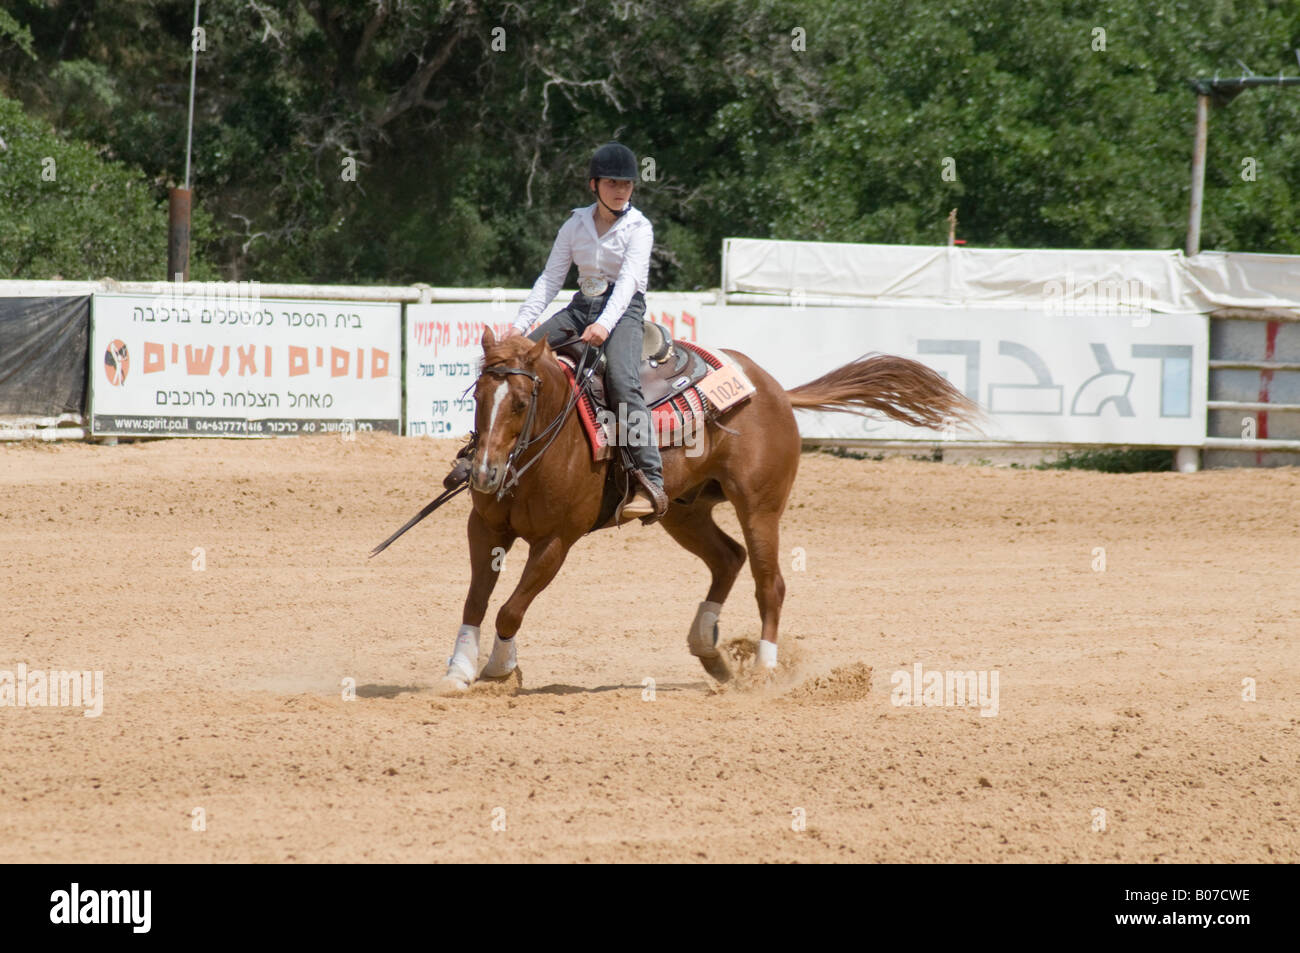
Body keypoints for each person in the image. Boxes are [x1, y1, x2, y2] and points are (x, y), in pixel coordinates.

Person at [504, 141, 668, 523]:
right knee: (517, 362)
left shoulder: (639, 229)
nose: (621, 190)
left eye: (626, 184)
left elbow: (627, 285)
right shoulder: (574, 224)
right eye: (612, 183)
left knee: (623, 380)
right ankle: (487, 453)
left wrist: (604, 324)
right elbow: (550, 279)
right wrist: (518, 328)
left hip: (624, 311)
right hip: (581, 306)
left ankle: (652, 480)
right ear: (594, 185)